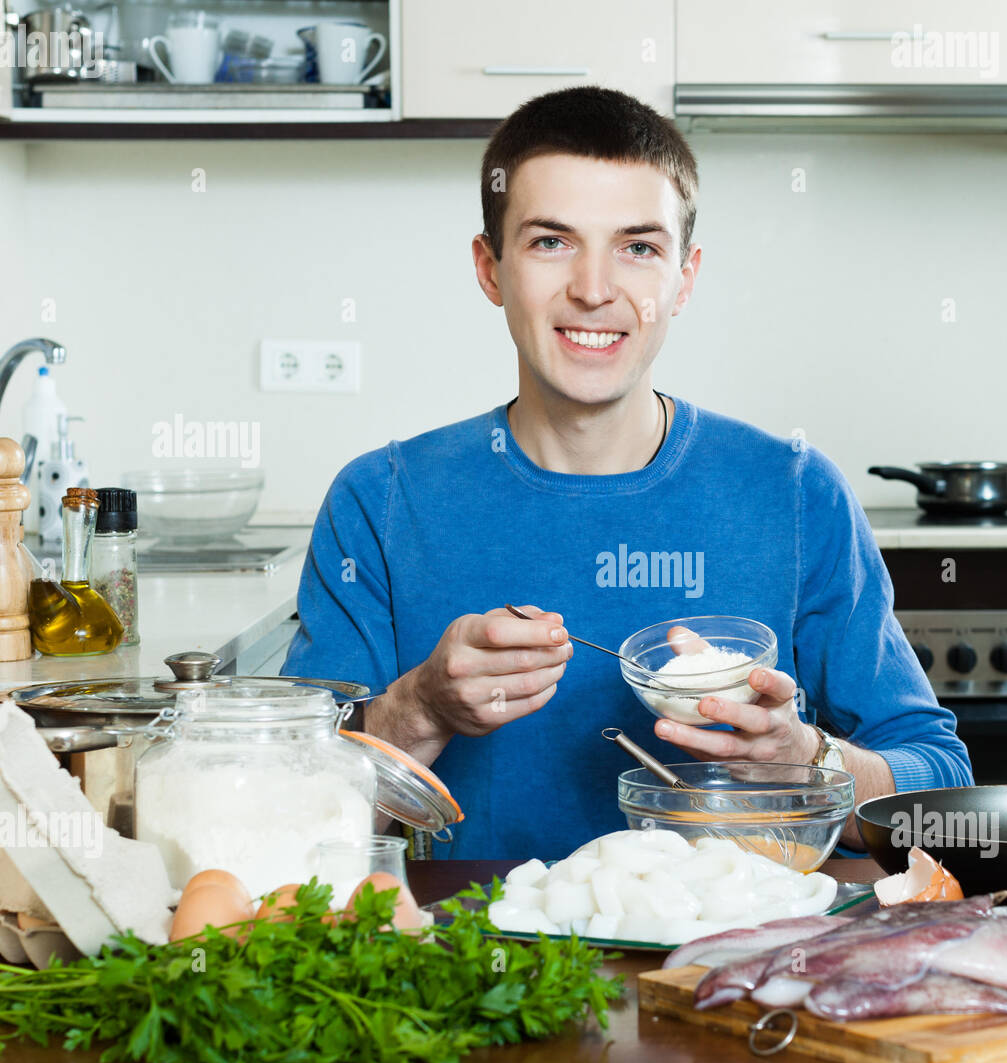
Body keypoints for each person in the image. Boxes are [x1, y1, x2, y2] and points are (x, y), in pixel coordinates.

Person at [281, 85, 972, 859]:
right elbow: (287, 823)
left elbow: (939, 796)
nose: (595, 289)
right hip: (475, 963)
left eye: (639, 247)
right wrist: (420, 709)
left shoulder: (795, 493)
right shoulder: (381, 502)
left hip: (741, 967)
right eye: (551, 242)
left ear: (684, 277)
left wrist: (810, 761)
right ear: (490, 268)